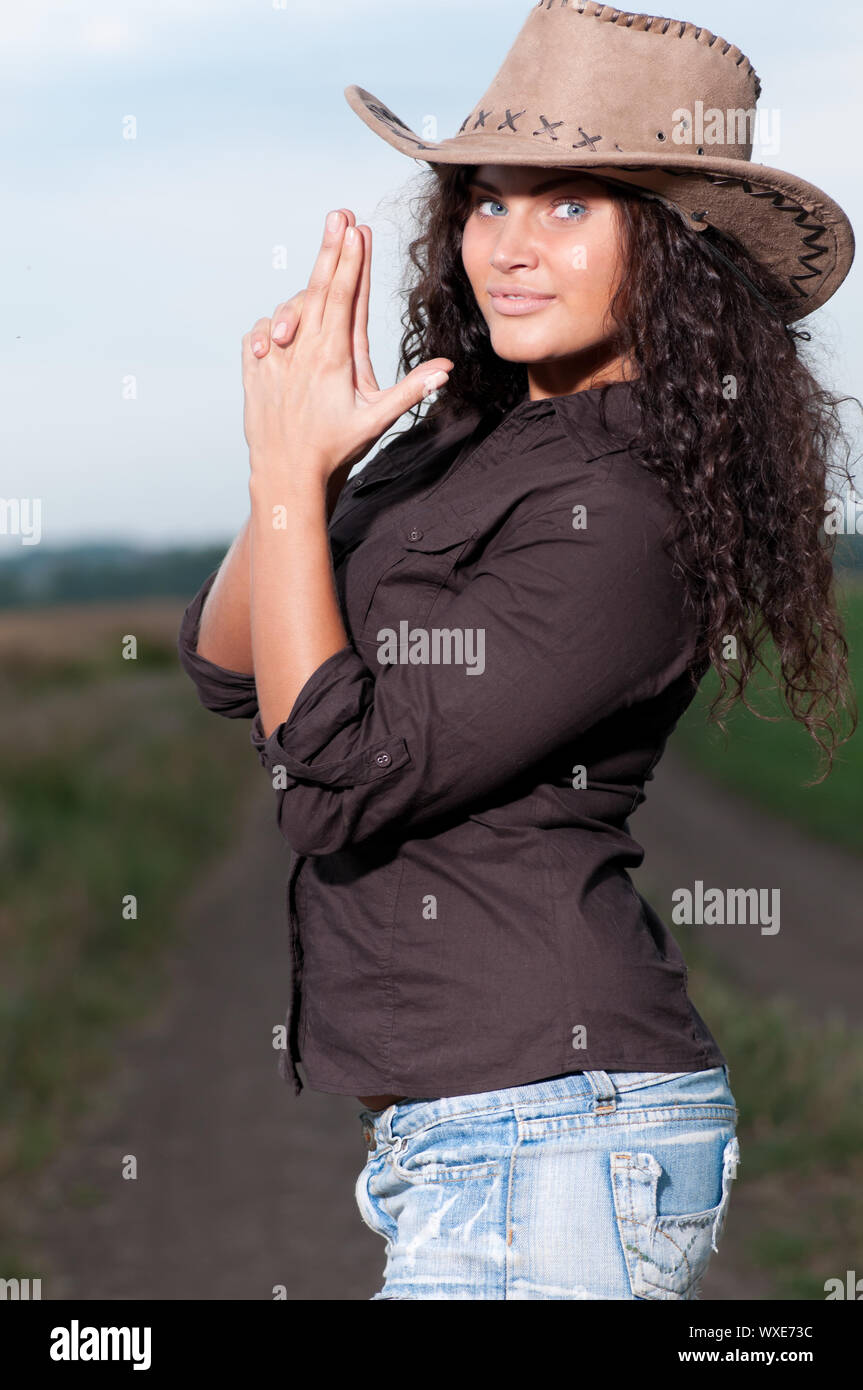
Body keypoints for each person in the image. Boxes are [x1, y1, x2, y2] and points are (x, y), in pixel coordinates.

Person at [177, 3, 857, 1298]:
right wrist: (297, 474)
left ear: (671, 246)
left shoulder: (634, 503)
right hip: (481, 1140)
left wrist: (287, 486)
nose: (511, 246)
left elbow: (336, 773)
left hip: (551, 1133)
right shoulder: (455, 435)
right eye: (490, 204)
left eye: (570, 207)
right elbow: (228, 671)